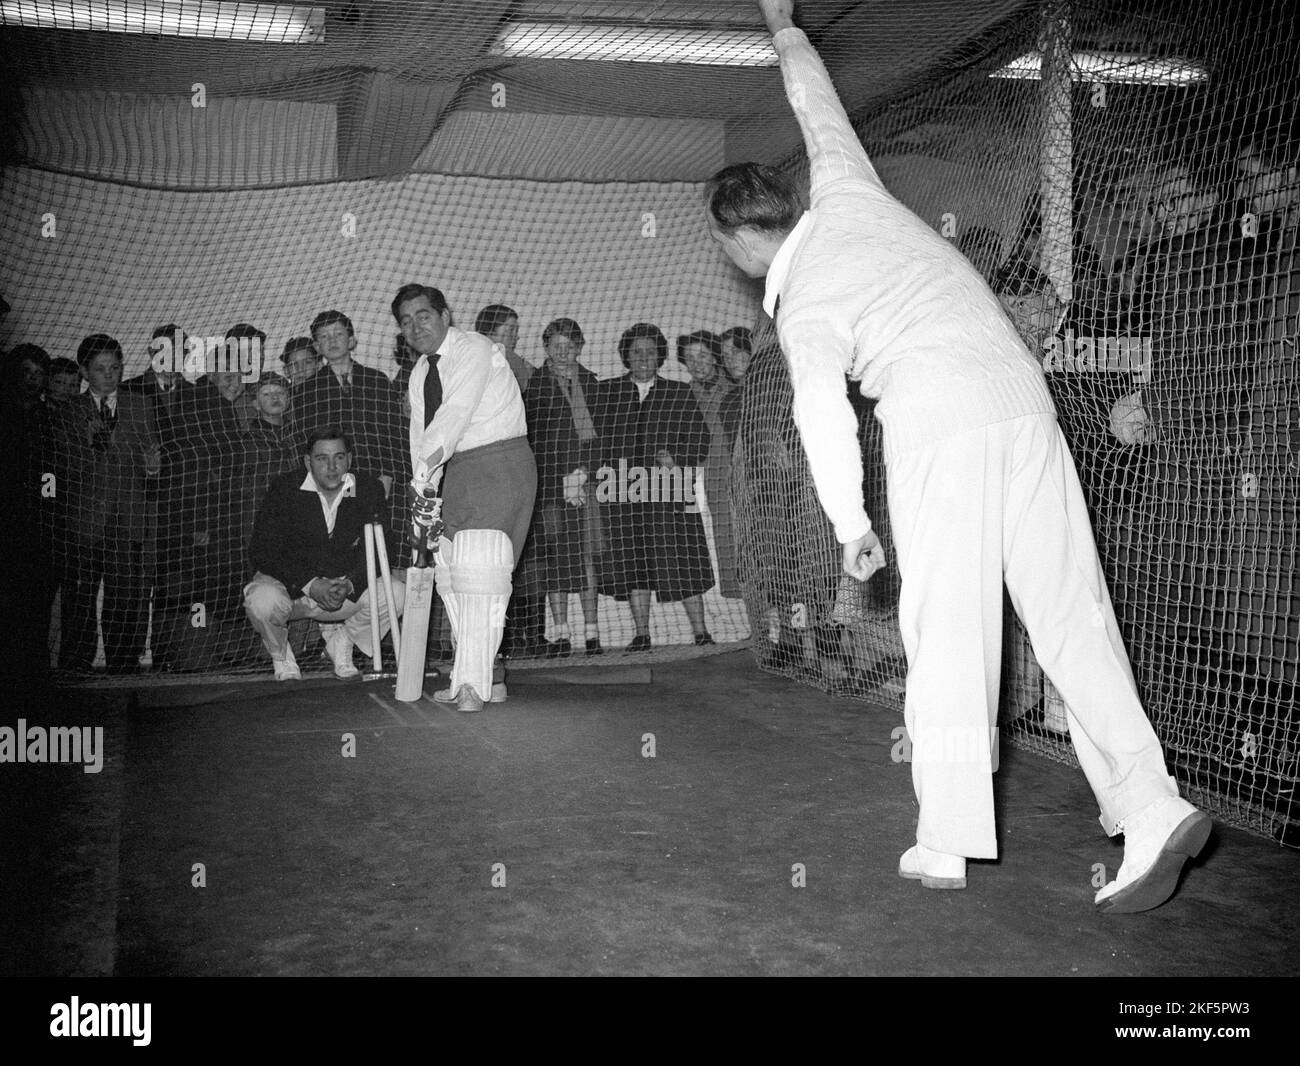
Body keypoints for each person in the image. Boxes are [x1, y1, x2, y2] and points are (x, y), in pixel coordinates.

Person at [699, 0, 1211, 914]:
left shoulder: (804, 300)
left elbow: (821, 411)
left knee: (948, 636)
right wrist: (786, 29)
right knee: (1073, 615)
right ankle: (1150, 803)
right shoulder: (850, 189)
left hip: (941, 426)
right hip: (1026, 403)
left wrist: (851, 523)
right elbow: (819, 109)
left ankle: (945, 840)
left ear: (738, 244)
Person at [396, 283, 538, 712]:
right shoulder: (420, 372)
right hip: (456, 471)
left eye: (423, 316)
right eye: (406, 322)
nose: (415, 327)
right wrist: (422, 492)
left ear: (445, 315)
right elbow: (421, 437)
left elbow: (453, 417)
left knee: (480, 571)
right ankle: (483, 676)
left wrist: (425, 476)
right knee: (451, 572)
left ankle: (472, 685)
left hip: (499, 464)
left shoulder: (474, 348)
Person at [244, 427, 405, 681]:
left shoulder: (367, 488)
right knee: (261, 599)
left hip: (342, 592)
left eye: (338, 457)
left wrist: (350, 583)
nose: (331, 467)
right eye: (322, 458)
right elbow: (263, 550)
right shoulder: (284, 488)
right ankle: (281, 655)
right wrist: (310, 584)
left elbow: (383, 549)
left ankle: (342, 643)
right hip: (295, 592)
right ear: (308, 461)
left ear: (349, 459)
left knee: (397, 593)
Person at [594, 323, 715, 650]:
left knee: (683, 560)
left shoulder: (679, 393)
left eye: (650, 351)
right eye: (637, 352)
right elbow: (594, 442)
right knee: (635, 562)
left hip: (670, 494)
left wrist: (676, 458)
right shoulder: (607, 393)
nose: (644, 357)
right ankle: (641, 634)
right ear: (626, 356)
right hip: (623, 493)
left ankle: (702, 632)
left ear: (660, 356)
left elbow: (701, 440)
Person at [46, 335, 160, 672]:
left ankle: (123, 664)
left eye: (115, 367)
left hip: (127, 518)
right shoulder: (69, 411)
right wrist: (93, 445)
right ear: (84, 371)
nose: (109, 375)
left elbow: (151, 459)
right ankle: (76, 665)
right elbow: (61, 467)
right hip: (85, 519)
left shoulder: (141, 405)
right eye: (100, 369)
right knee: (80, 597)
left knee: (124, 597)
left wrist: (153, 468)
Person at [522, 317, 604, 656]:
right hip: (550, 488)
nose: (563, 352)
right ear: (545, 347)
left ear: (579, 347)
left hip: (587, 483)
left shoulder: (592, 384)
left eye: (569, 346)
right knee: (556, 557)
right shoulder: (535, 387)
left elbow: (603, 436)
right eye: (556, 346)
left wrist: (584, 472)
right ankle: (560, 633)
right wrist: (560, 478)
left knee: (586, 556)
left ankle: (592, 633)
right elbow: (534, 440)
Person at [292, 310, 404, 500]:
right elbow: (307, 442)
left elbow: (394, 433)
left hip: (379, 478)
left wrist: (388, 475)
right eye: (324, 336)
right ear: (317, 347)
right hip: (331, 483)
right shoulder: (308, 391)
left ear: (351, 340)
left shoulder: (377, 380)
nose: (332, 341)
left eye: (338, 334)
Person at [476, 303, 533, 393]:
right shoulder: (507, 356)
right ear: (490, 330)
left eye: (516, 331)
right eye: (511, 330)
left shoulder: (471, 351)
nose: (516, 337)